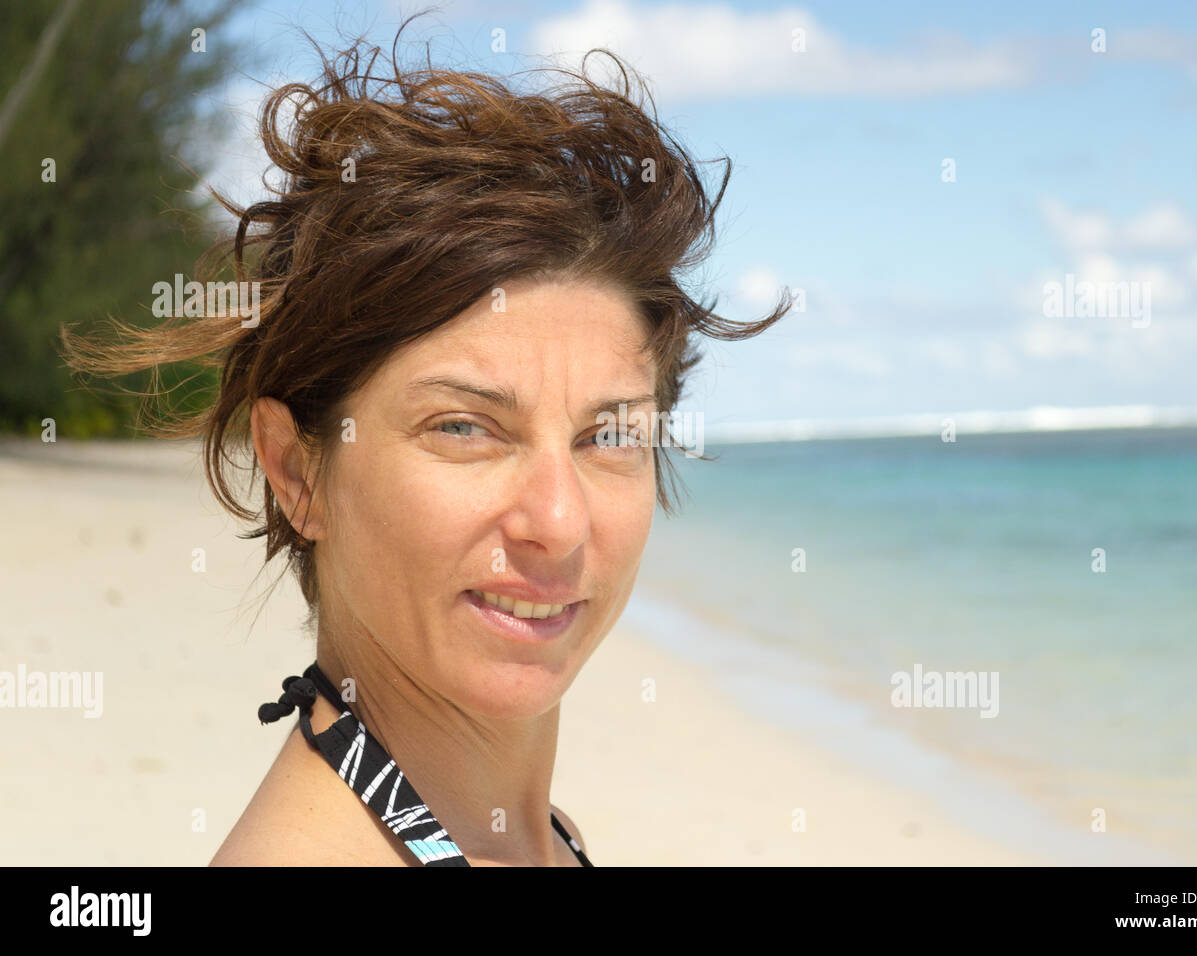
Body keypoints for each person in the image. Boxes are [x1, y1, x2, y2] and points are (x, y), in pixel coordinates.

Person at [60, 27, 790, 866]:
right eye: (464, 428)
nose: (559, 520)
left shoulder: (540, 838)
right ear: (297, 470)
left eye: (608, 434)